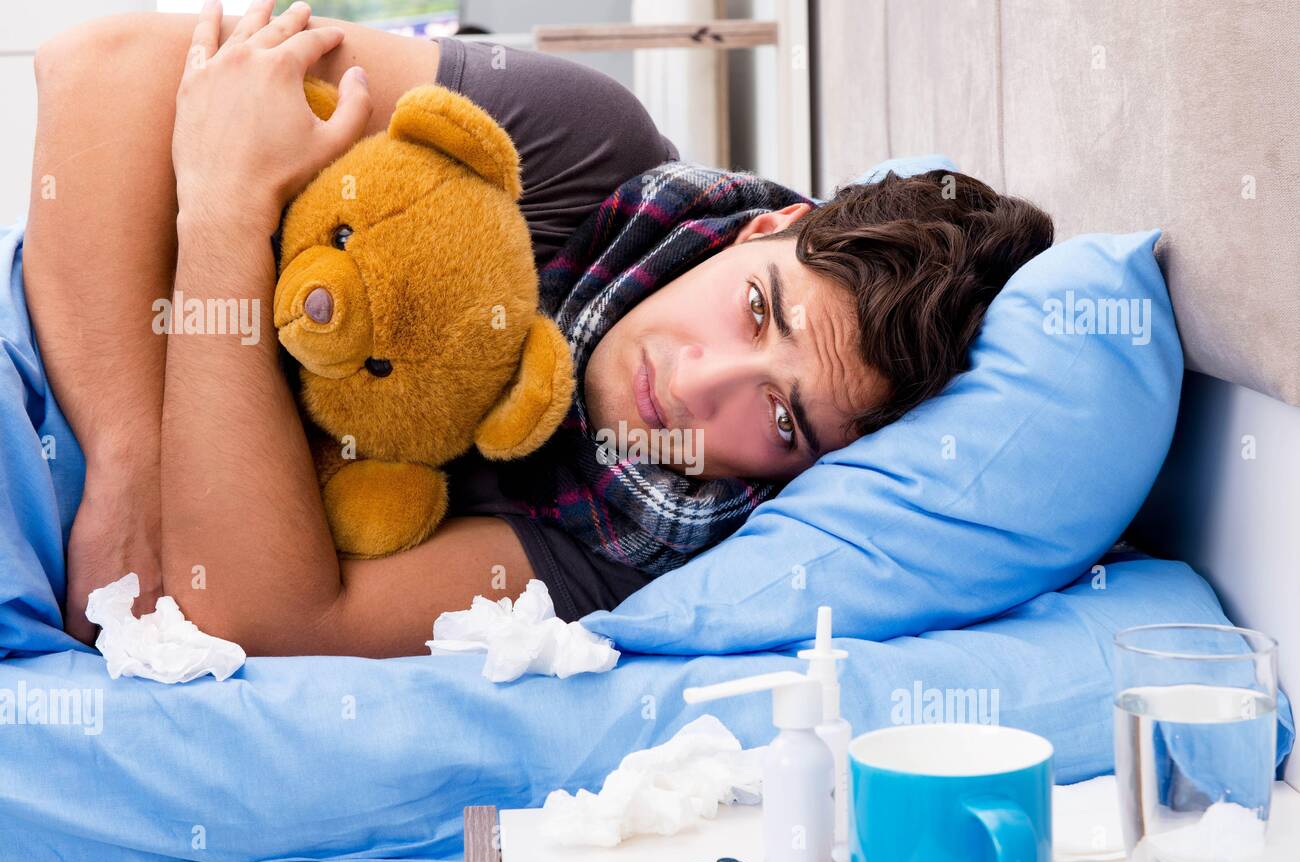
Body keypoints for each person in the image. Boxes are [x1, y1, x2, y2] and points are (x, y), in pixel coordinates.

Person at [24, 1, 1053, 658]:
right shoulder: (586, 144)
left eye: (782, 420)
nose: (700, 385)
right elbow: (104, 63)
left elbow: (259, 617)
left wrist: (223, 208)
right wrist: (127, 462)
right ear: (773, 226)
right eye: (756, 308)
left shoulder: (631, 549)